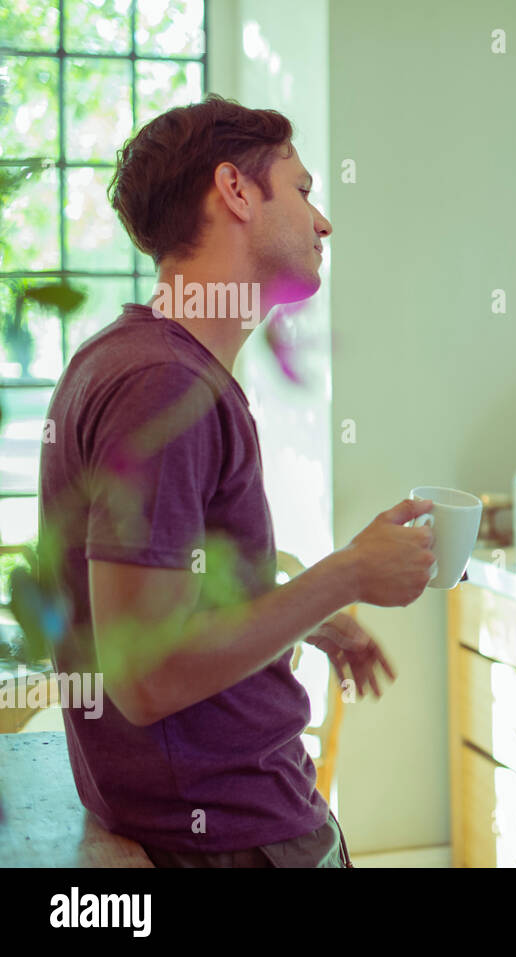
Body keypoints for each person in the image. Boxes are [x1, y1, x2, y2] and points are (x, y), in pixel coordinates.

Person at [36, 95, 437, 867]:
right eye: (303, 189)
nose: (323, 223)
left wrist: (300, 617)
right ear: (237, 191)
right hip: (230, 838)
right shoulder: (162, 386)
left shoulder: (134, 360)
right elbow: (145, 675)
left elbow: (171, 605)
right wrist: (344, 573)